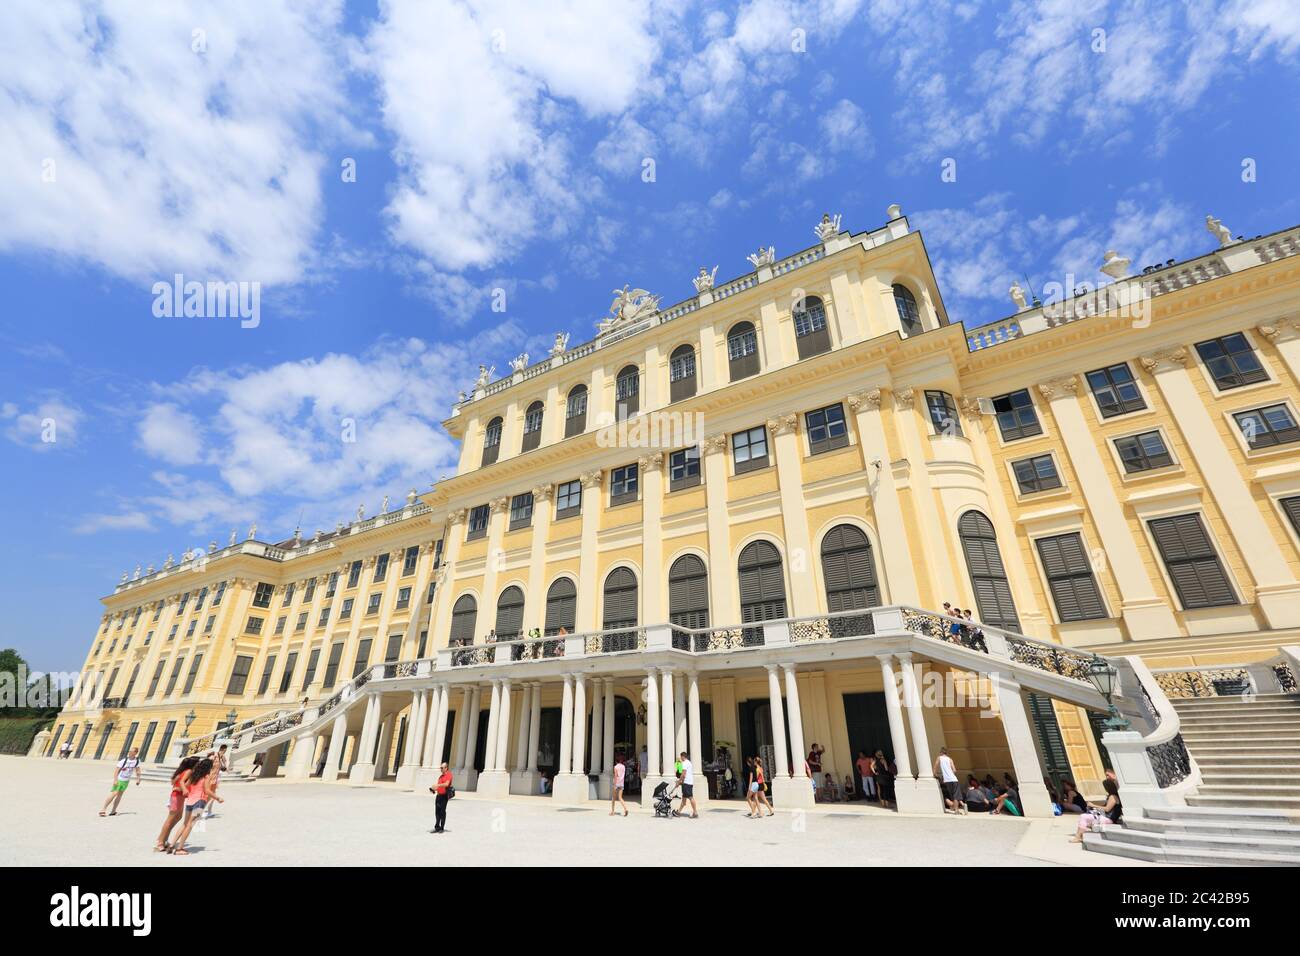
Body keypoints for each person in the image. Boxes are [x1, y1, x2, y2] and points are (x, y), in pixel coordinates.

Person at [170, 758, 222, 855]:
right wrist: (217, 798)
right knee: (190, 825)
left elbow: (184, 783)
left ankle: (172, 844)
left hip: (190, 802)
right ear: (209, 768)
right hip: (200, 802)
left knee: (184, 824)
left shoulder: (194, 776)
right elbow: (207, 790)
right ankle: (179, 849)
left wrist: (186, 790)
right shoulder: (206, 776)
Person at [155, 756, 199, 852]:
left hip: (178, 797)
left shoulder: (182, 771)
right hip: (177, 797)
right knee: (170, 820)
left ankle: (164, 839)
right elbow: (183, 785)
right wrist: (182, 789)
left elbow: (174, 782)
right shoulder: (189, 772)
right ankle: (160, 842)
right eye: (197, 763)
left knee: (177, 818)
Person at [100, 746, 142, 816]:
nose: (129, 752)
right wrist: (115, 780)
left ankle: (113, 811)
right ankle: (103, 809)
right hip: (120, 779)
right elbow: (116, 771)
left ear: (135, 753)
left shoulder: (137, 761)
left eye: (131, 751)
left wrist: (138, 779)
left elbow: (138, 770)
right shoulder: (123, 761)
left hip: (126, 781)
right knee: (114, 794)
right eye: (129, 751)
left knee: (119, 795)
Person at [934, 747, 965, 814]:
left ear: (941, 752)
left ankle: (955, 808)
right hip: (954, 779)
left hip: (947, 780)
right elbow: (954, 770)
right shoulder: (950, 759)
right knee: (955, 795)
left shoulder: (939, 758)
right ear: (946, 753)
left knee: (952, 795)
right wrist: (950, 773)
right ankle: (956, 809)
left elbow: (936, 765)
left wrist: (935, 773)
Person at [431, 762, 453, 833]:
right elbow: (438, 786)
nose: (441, 769)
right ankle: (437, 827)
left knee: (442, 812)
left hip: (444, 796)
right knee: (437, 812)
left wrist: (438, 785)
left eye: (442, 768)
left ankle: (442, 827)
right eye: (440, 768)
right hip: (438, 796)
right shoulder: (440, 777)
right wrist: (434, 789)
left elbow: (446, 784)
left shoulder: (449, 775)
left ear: (446, 768)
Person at [675, 751, 698, 818]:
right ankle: (679, 812)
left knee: (690, 797)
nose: (680, 758)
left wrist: (679, 782)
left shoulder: (684, 763)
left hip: (687, 783)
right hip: (688, 782)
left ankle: (695, 812)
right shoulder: (689, 762)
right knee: (684, 798)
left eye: (681, 757)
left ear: (683, 756)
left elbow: (683, 774)